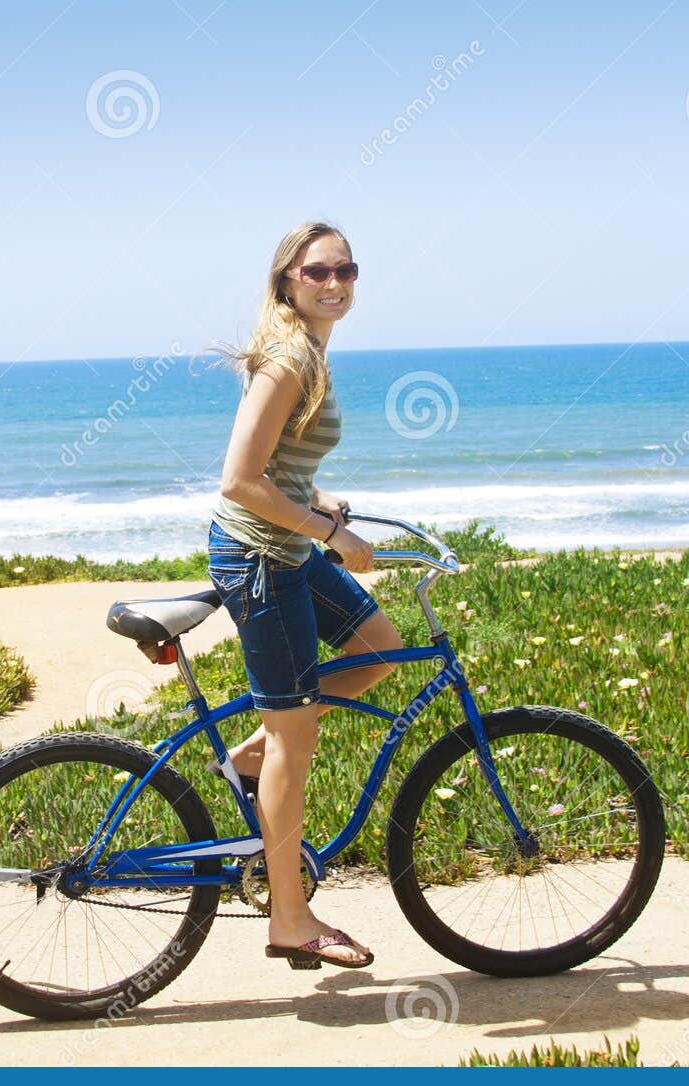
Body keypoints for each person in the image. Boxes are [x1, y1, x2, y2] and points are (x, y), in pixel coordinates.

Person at [205, 220, 405, 969]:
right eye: (318, 271)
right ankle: (289, 919)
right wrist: (329, 533)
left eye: (346, 270)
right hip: (260, 557)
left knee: (379, 648)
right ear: (287, 280)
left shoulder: (309, 351)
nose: (335, 283)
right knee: (298, 736)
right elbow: (238, 480)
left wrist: (316, 498)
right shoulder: (289, 358)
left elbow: (276, 464)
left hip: (284, 543)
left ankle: (251, 757)